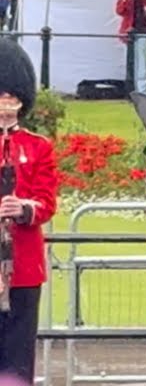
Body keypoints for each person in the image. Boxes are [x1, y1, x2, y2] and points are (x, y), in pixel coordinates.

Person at [0, 38, 57, 384]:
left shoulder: (38, 147)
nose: (6, 104)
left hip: (22, 266)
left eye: (12, 97)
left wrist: (23, 207)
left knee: (19, 357)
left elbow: (47, 201)